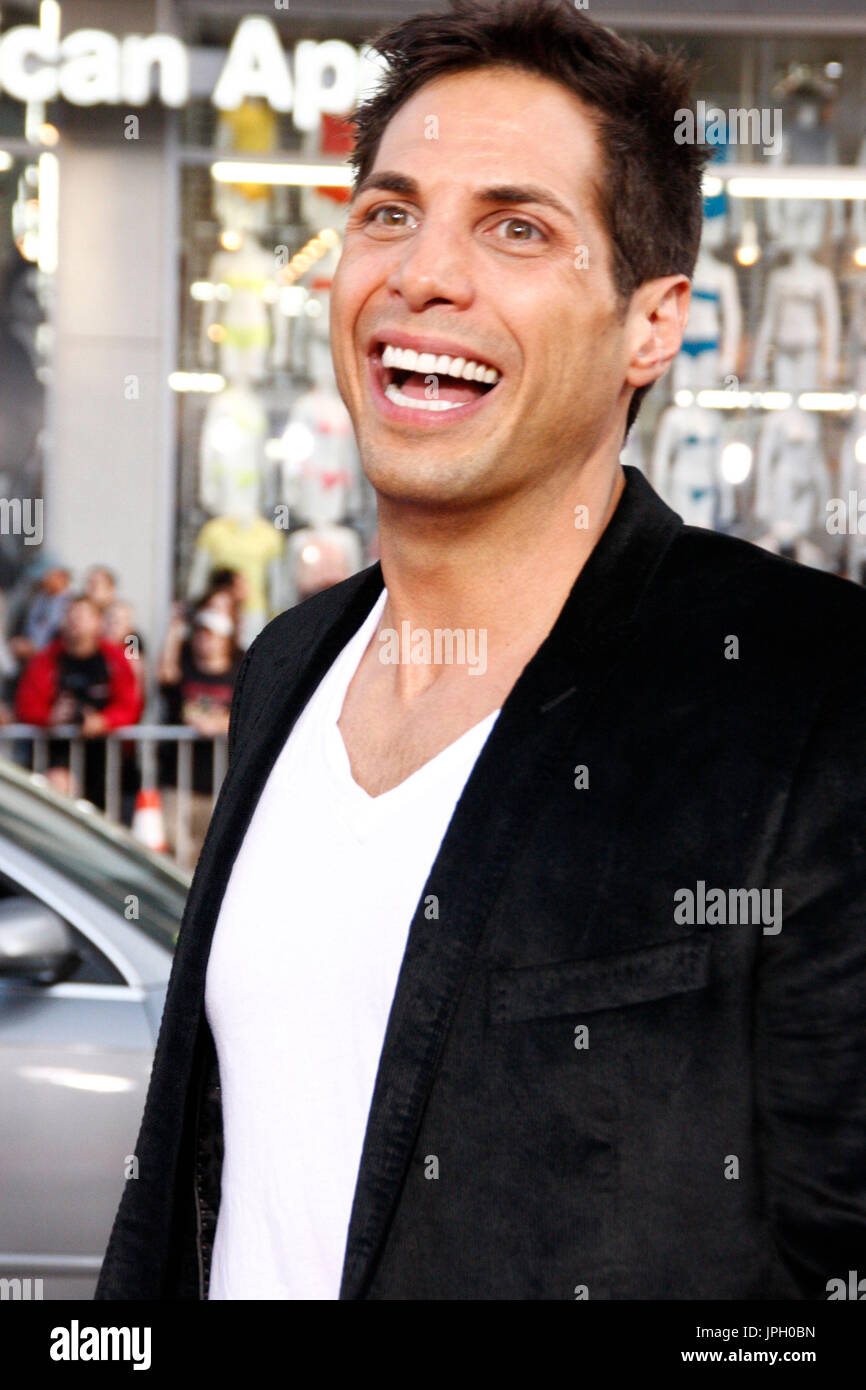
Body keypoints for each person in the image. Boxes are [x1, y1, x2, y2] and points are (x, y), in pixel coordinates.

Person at [96, 0, 866, 1301]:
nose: (422, 273)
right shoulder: (288, 667)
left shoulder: (805, 695)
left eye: (516, 227)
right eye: (389, 212)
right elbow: (195, 1182)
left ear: (651, 323)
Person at [15, 593, 143, 806]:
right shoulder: (45, 660)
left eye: (82, 616)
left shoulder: (116, 659)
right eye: (70, 615)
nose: (75, 621)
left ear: (98, 622)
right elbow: (26, 705)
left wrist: (103, 721)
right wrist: (50, 718)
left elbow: (130, 705)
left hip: (107, 762)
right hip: (57, 757)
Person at [157, 599, 243, 864]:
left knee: (211, 858)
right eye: (201, 635)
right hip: (179, 780)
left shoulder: (239, 672)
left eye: (212, 636)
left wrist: (220, 723)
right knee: (177, 855)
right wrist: (174, 628)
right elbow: (165, 676)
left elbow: (252, 713)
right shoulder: (186, 668)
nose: (205, 641)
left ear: (225, 640)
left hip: (220, 782)